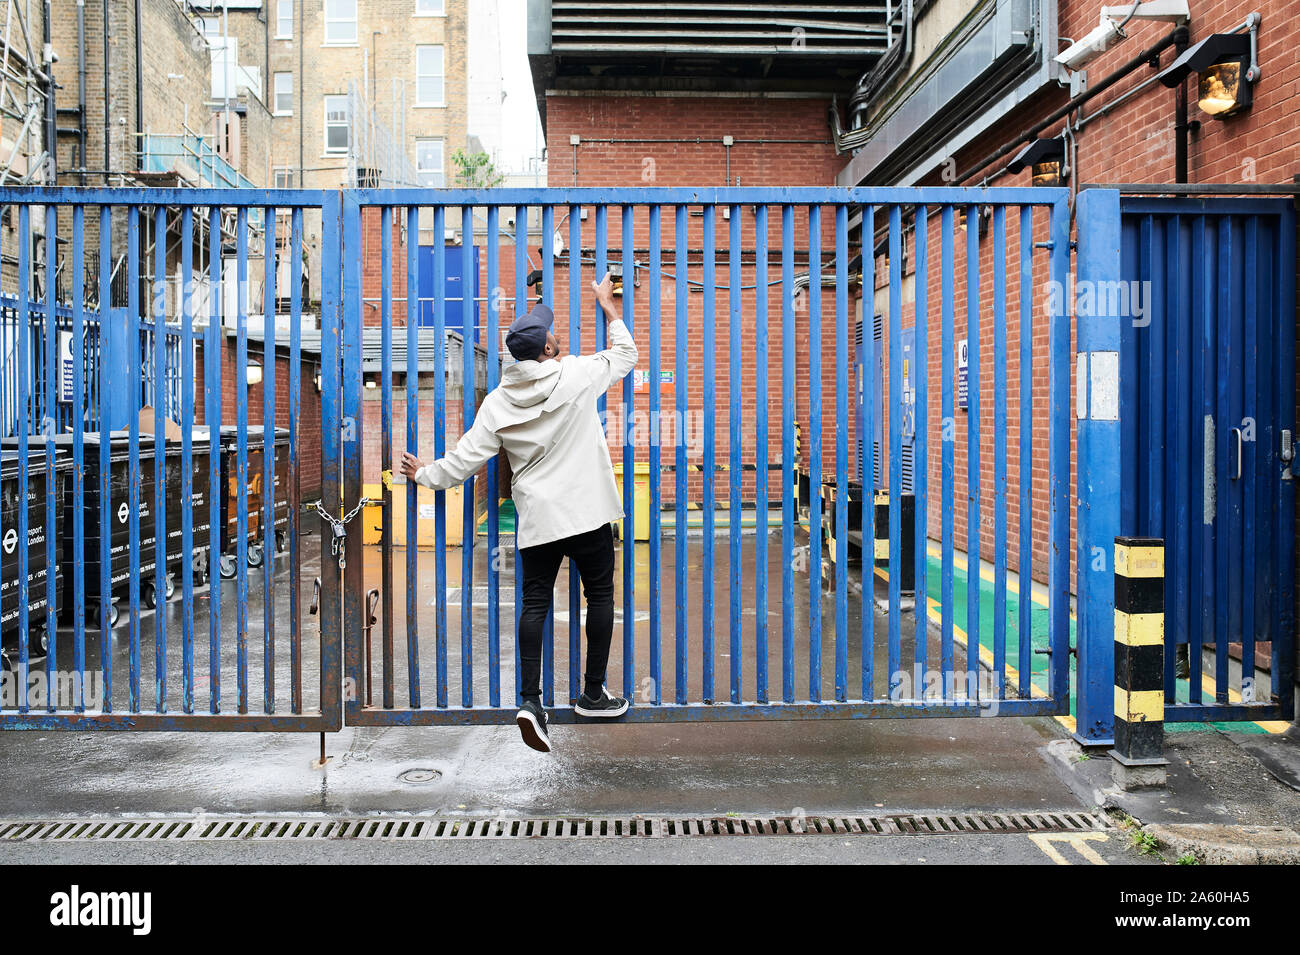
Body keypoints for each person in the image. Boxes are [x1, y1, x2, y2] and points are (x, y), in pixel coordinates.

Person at [399, 273, 638, 753]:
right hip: (589, 514)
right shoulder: (576, 374)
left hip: (539, 520)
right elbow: (627, 356)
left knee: (535, 605)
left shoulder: (497, 402)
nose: (557, 335)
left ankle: (531, 702)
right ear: (547, 350)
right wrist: (609, 308)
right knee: (600, 599)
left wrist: (424, 473)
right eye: (552, 334)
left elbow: (463, 463)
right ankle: (593, 693)